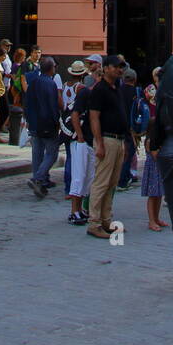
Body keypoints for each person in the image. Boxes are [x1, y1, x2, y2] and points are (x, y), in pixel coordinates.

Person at [86, 54, 130, 238]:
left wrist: (126, 141)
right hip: (107, 139)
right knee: (101, 182)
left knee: (112, 183)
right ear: (106, 68)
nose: (120, 70)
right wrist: (100, 143)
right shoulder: (100, 89)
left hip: (118, 139)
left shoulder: (116, 87)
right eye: (116, 66)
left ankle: (106, 219)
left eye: (122, 67)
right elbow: (94, 117)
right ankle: (94, 223)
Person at [25, 56, 62, 198]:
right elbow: (53, 106)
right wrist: (56, 121)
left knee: (37, 154)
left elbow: (27, 102)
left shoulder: (34, 82)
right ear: (51, 68)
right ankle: (38, 178)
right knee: (52, 154)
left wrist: (28, 119)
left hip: (34, 123)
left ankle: (38, 183)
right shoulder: (50, 84)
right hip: (47, 123)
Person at [68, 67, 96, 226]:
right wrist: (80, 135)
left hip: (88, 140)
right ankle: (74, 211)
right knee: (79, 175)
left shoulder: (88, 93)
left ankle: (80, 209)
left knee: (87, 176)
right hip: (81, 141)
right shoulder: (85, 93)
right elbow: (75, 115)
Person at [140, 76, 167, 231]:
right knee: (153, 195)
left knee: (159, 194)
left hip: (160, 170)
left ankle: (157, 217)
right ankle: (151, 220)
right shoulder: (151, 141)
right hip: (154, 169)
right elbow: (155, 154)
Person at [61, 61, 88, 198]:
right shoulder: (81, 87)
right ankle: (73, 187)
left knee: (68, 156)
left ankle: (67, 186)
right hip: (76, 123)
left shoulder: (65, 86)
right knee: (75, 158)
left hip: (66, 124)